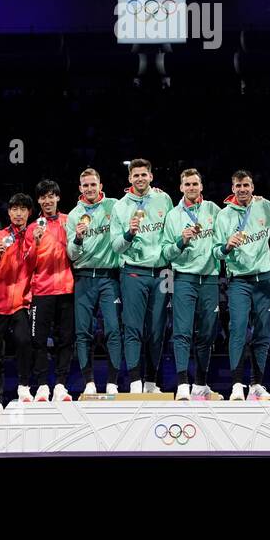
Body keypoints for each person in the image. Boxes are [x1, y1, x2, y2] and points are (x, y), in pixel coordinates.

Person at [214, 170, 270, 401]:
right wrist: (227, 247)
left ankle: (257, 385)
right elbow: (216, 252)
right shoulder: (224, 216)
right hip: (239, 280)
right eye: (238, 186)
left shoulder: (265, 207)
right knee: (238, 329)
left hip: (264, 278)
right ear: (233, 189)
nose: (242, 189)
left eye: (246, 185)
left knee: (263, 332)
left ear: (253, 187)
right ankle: (237, 385)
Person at [111, 158, 173, 393]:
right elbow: (116, 247)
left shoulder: (164, 199)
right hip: (133, 272)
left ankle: (151, 381)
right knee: (134, 328)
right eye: (135, 175)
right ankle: (135, 381)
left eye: (143, 175)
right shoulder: (120, 207)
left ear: (151, 176)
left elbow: (172, 230)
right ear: (129, 179)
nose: (140, 179)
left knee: (158, 330)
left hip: (163, 273)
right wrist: (129, 234)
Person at [162, 168, 223, 400]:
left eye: (195, 184)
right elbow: (166, 251)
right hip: (184, 278)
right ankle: (182, 385)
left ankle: (200, 383)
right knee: (182, 332)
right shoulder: (173, 216)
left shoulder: (214, 211)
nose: (191, 188)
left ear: (201, 186)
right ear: (181, 187)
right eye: (187, 184)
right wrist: (181, 241)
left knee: (208, 333)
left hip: (209, 278)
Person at [66, 168, 123, 396]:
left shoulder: (114, 206)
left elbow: (137, 205)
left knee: (113, 330)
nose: (90, 188)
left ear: (100, 185)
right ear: (80, 188)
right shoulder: (73, 215)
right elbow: (71, 254)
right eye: (85, 185)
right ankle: (89, 382)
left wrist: (154, 193)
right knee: (82, 332)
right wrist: (78, 238)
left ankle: (112, 382)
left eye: (93, 184)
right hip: (83, 277)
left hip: (109, 277)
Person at [0, 194, 37, 417]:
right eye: (14, 209)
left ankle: (24, 387)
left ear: (29, 213)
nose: (18, 213)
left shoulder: (35, 235)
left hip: (21, 303)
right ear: (9, 212)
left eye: (23, 209)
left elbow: (37, 265)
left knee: (25, 342)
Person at [27, 180, 75, 401]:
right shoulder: (32, 228)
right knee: (38, 340)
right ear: (38, 200)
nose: (47, 200)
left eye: (51, 196)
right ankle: (43, 386)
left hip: (67, 289)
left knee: (65, 339)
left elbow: (79, 253)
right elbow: (27, 264)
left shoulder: (70, 221)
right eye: (43, 197)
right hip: (42, 291)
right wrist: (35, 243)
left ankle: (61, 385)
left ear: (58, 197)